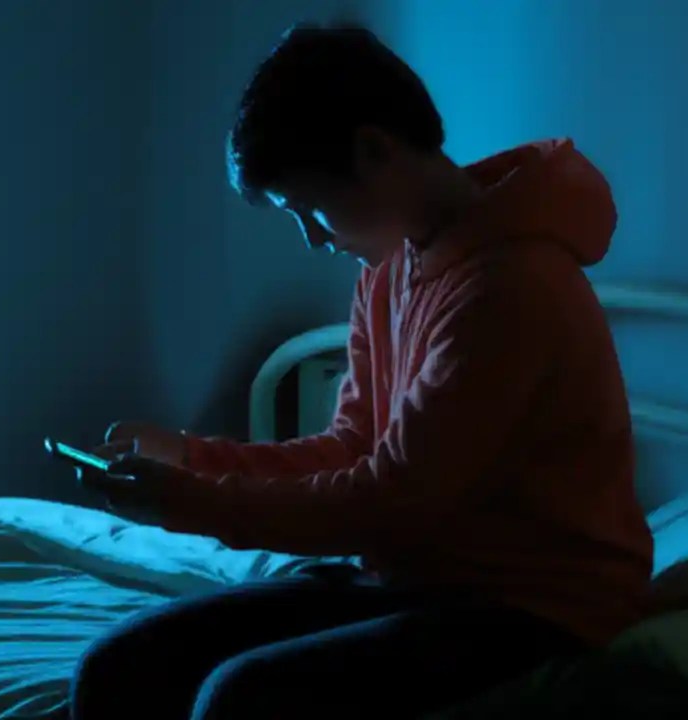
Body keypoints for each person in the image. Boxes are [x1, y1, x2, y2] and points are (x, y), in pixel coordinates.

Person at [69, 21, 653, 720]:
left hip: (535, 606)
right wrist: (190, 460)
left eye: (308, 208)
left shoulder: (511, 288)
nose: (313, 237)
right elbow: (353, 450)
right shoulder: (392, 270)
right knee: (118, 669)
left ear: (375, 150)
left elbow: (386, 500)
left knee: (242, 701)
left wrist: (182, 502)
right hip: (417, 575)